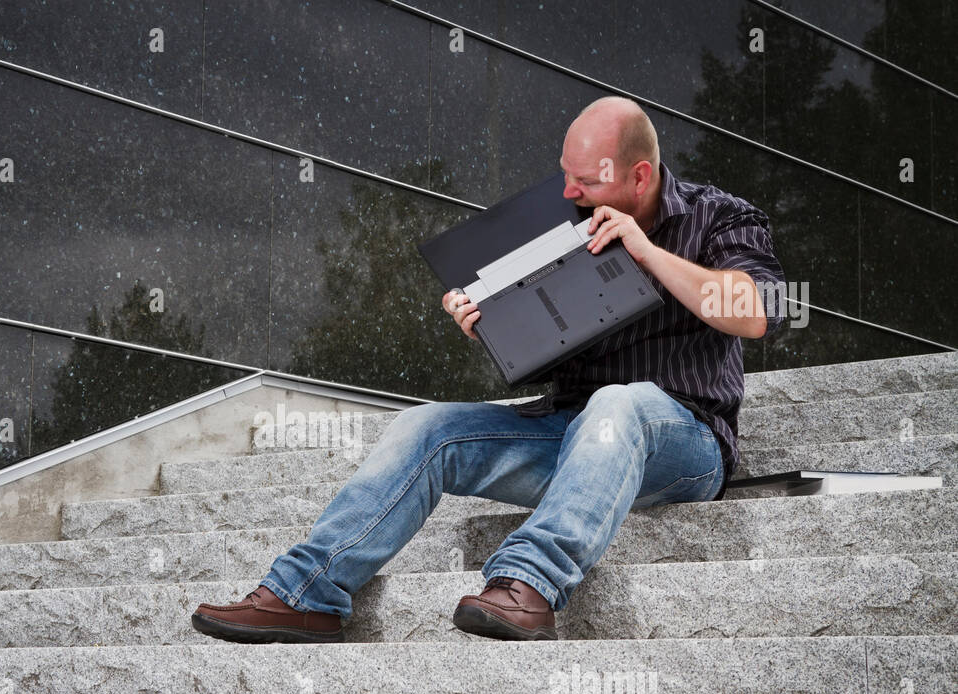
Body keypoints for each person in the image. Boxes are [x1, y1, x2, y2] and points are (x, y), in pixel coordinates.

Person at [191, 95, 786, 644]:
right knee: (429, 428)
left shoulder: (719, 217)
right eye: (565, 174)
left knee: (619, 402)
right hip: (570, 433)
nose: (570, 192)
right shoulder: (568, 221)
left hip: (682, 443)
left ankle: (527, 584)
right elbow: (548, 352)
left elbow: (754, 311)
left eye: (586, 180)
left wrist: (647, 253)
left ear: (639, 175)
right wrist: (494, 318)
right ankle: (306, 595)